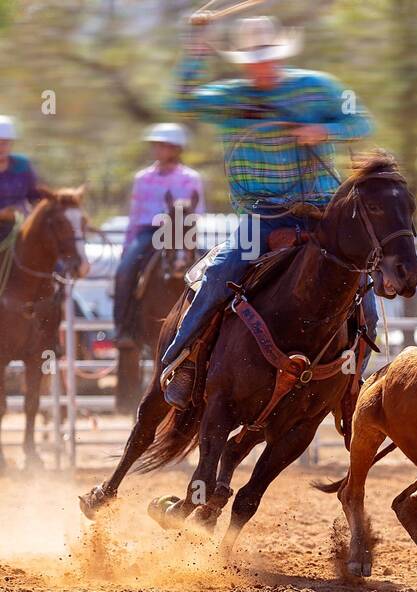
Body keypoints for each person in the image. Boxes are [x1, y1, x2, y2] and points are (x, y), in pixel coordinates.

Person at [160, 14, 374, 409]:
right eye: (254, 59)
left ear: (279, 56)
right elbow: (181, 102)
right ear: (244, 63)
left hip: (322, 210)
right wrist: (196, 47)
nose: (262, 66)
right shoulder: (230, 98)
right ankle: (182, 363)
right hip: (264, 213)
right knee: (220, 274)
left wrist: (323, 130)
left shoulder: (315, 87)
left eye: (268, 57)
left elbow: (360, 120)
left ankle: (357, 377)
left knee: (364, 285)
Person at [113, 123, 206, 347]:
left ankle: (209, 321)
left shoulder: (190, 177)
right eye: (156, 145)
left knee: (210, 269)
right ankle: (123, 328)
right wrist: (128, 245)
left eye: (163, 146)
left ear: (176, 149)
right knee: (125, 271)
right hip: (148, 230)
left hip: (180, 229)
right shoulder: (142, 178)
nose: (158, 150)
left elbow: (198, 210)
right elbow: (135, 215)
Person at [0, 115, 43, 244]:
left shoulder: (23, 165)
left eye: (5, 143)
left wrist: (31, 212)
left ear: (11, 143)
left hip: (22, 226)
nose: (1, 147)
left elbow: (35, 196)